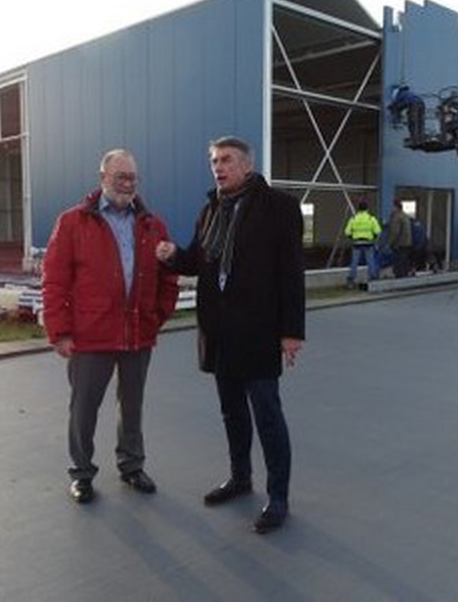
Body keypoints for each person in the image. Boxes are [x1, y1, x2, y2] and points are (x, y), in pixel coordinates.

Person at [155, 136, 305, 534]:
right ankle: (241, 479)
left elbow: (291, 274)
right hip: (220, 333)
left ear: (247, 165)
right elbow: (197, 262)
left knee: (267, 416)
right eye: (214, 162)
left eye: (226, 160)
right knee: (232, 413)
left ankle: (278, 496)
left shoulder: (279, 207)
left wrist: (292, 332)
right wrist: (173, 256)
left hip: (259, 331)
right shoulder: (210, 211)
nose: (218, 168)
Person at [41, 148, 180, 504]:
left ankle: (132, 466)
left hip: (137, 334)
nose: (128, 184)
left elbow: (168, 277)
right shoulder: (73, 222)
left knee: (132, 406)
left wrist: (156, 316)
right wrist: (60, 332)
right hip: (91, 336)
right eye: (121, 177)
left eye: (133, 177)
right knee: (84, 408)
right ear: (102, 178)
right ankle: (82, 473)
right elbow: (54, 281)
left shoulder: (152, 224)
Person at [343, 201, 382, 287]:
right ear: (367, 209)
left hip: (356, 243)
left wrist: (352, 238)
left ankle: (351, 279)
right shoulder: (371, 218)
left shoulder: (353, 218)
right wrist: (374, 239)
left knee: (354, 262)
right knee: (370, 261)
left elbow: (347, 232)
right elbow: (378, 232)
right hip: (368, 243)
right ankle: (372, 278)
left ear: (358, 209)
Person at [386, 198, 414, 278]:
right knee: (404, 261)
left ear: (395, 207)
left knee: (399, 261)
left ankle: (399, 277)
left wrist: (389, 243)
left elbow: (395, 232)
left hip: (400, 243)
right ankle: (404, 277)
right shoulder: (405, 215)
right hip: (407, 242)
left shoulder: (396, 217)